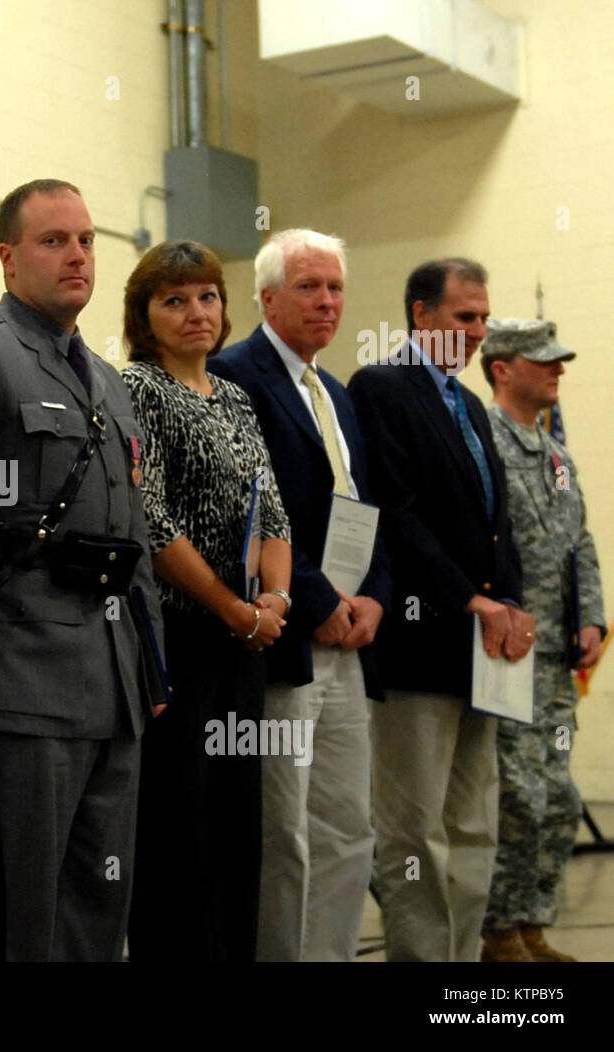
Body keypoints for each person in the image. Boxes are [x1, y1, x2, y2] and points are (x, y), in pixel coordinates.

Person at [0, 178, 168, 962]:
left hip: (114, 683)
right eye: (54, 241)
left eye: (87, 241)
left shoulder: (109, 380)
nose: (77, 256)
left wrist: (151, 669)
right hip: (19, 679)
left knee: (98, 902)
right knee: (18, 904)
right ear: (8, 256)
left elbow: (135, 539)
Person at [207, 229, 389, 961]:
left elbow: (361, 504)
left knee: (349, 827)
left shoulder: (337, 396)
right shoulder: (234, 376)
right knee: (284, 831)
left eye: (336, 288)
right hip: (287, 642)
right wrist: (319, 602)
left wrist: (374, 595)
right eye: (309, 287)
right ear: (269, 296)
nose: (326, 302)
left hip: (350, 638)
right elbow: (250, 511)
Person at [347, 258, 536, 962]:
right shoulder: (383, 387)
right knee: (416, 832)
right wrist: (468, 599)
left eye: (484, 317)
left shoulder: (470, 405)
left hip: (481, 653)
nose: (479, 331)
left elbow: (497, 519)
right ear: (421, 315)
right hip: (421, 646)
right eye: (465, 317)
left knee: (474, 827)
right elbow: (396, 513)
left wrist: (510, 601)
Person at [120, 240, 291, 963]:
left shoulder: (236, 396)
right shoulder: (136, 389)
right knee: (178, 824)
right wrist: (230, 605)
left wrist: (275, 598)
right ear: (145, 315)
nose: (196, 313)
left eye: (208, 297)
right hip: (181, 642)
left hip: (246, 641)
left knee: (235, 824)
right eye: (175, 300)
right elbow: (149, 517)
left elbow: (273, 512)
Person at [478, 318, 605, 962]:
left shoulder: (553, 451)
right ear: (502, 367)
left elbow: (578, 538)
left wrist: (593, 618)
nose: (558, 370)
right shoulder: (486, 441)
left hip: (557, 656)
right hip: (508, 652)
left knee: (559, 797)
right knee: (518, 798)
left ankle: (532, 923)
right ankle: (497, 930)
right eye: (544, 361)